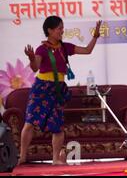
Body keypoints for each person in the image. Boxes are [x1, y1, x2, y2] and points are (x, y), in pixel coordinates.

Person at [20, 16, 102, 165]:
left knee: (57, 126)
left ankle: (56, 159)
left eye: (62, 28)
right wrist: (32, 58)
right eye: (59, 28)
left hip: (57, 90)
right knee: (30, 122)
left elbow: (88, 50)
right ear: (50, 31)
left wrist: (95, 36)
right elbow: (35, 68)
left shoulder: (65, 47)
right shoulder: (42, 49)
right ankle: (22, 157)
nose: (62, 31)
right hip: (41, 88)